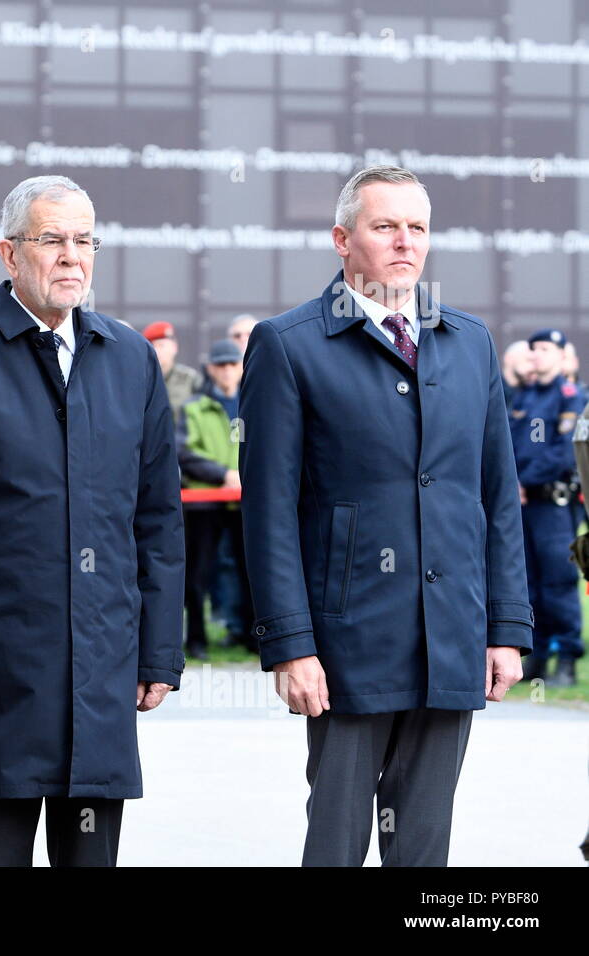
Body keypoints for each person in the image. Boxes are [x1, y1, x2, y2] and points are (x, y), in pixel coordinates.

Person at [239, 165, 532, 867]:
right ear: (342, 238)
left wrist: (506, 628)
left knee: (424, 849)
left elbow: (496, 495)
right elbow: (269, 512)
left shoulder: (469, 342)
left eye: (418, 227)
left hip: (450, 635)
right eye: (385, 226)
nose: (405, 242)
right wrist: (290, 644)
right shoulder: (289, 345)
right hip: (346, 643)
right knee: (336, 845)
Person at [0, 174, 185, 867]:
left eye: (83, 240)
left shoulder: (129, 360)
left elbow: (158, 520)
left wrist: (158, 652)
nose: (71, 256)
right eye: (51, 239)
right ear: (9, 255)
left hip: (103, 665)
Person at [509, 329, 583, 686]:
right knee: (528, 583)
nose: (536, 355)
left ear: (561, 354)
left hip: (553, 505)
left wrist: (524, 481)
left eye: (544, 349)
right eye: (533, 348)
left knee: (559, 581)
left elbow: (564, 451)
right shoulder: (524, 396)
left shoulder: (572, 397)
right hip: (522, 505)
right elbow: (505, 443)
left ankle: (566, 659)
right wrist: (512, 483)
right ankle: (535, 658)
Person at [177, 338, 253, 659]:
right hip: (203, 502)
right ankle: (196, 639)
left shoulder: (254, 404)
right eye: (220, 365)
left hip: (245, 501)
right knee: (197, 574)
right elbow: (183, 450)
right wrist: (222, 474)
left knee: (251, 571)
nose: (226, 371)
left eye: (232, 364)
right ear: (210, 369)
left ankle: (252, 636)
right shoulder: (194, 407)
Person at [142, 321, 203, 416]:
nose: (157, 351)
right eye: (152, 346)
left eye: (161, 345)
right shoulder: (141, 380)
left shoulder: (189, 378)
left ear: (174, 347)